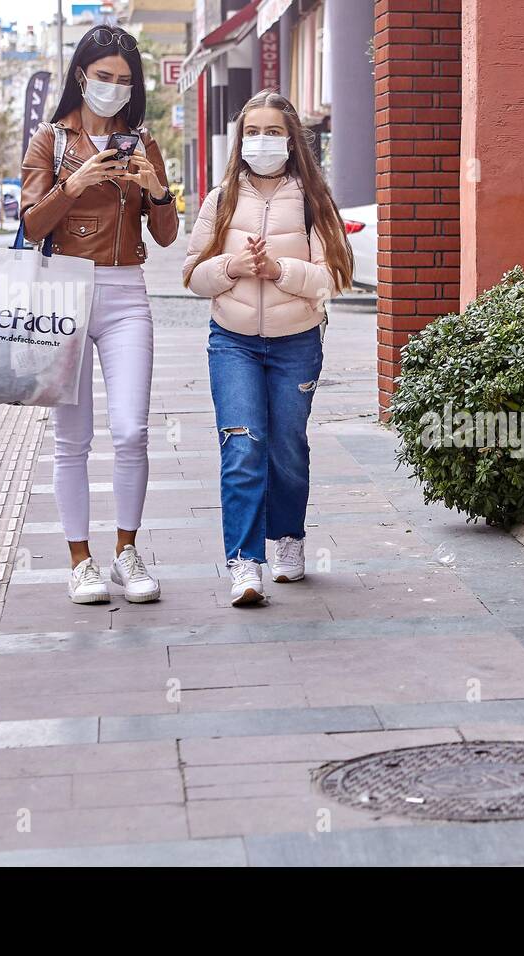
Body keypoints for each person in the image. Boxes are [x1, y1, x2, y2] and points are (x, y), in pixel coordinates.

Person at [20, 25, 180, 605]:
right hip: (64, 292)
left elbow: (165, 237)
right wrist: (75, 181)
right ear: (81, 75)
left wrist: (157, 190)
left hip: (125, 293)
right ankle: (80, 559)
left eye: (123, 80)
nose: (112, 87)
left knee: (133, 429)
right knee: (72, 439)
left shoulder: (142, 144)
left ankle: (127, 552)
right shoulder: (49, 141)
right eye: (103, 76)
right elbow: (32, 224)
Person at [183, 90, 354, 607]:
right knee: (242, 446)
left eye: (273, 131)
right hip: (231, 341)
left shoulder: (314, 200)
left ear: (292, 139)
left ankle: (288, 540)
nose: (262, 141)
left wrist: (278, 270)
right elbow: (192, 275)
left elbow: (336, 278)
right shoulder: (221, 199)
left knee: (285, 447)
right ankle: (244, 562)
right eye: (252, 131)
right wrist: (233, 267)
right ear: (240, 140)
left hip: (295, 343)